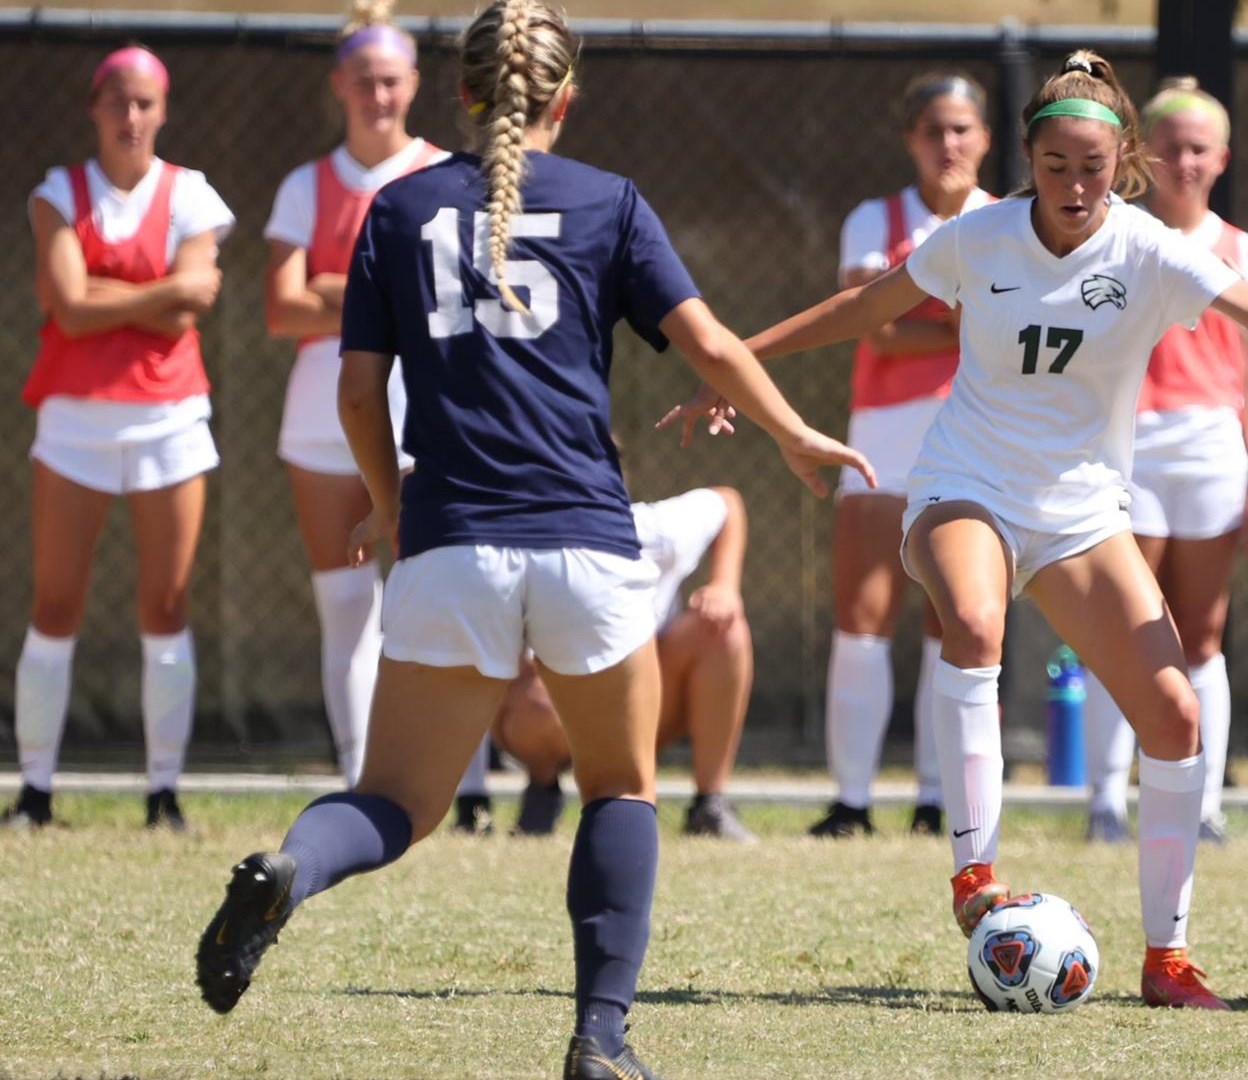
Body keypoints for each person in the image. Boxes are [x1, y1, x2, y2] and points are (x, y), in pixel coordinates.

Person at [192, 5, 870, 1077]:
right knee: (621, 789)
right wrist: (793, 434)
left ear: (461, 94)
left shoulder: (396, 206)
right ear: (566, 98)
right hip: (586, 545)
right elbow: (708, 341)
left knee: (392, 803)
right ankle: (601, 1037)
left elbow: (357, 392)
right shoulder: (611, 201)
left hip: (453, 540)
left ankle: (292, 871)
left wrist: (389, 503)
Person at [706, 50, 1248, 1010]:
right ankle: (974, 874)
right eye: (1056, 165)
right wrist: (732, 361)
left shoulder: (1150, 249)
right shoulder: (978, 236)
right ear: (1027, 161)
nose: (1074, 184)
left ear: (1124, 164)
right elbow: (864, 307)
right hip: (967, 483)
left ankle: (1169, 960)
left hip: (1083, 510)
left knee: (1176, 714)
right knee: (973, 621)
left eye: (1093, 167)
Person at [6, 45, 234, 832]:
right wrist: (162, 289)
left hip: (171, 419)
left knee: (166, 605)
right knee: (55, 602)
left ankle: (163, 793)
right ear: (94, 109)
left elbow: (189, 310)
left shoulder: (192, 194)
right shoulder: (58, 193)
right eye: (117, 102)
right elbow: (67, 308)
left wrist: (111, 292)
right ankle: (35, 793)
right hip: (74, 420)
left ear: (162, 111)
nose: (130, 117)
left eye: (144, 103)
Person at [1080, 77, 1248, 847]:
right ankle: (1105, 800)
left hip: (1211, 455)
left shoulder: (1243, 250)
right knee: (1121, 626)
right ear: (1141, 155)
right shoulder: (1115, 233)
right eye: (1169, 147)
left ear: (1222, 159)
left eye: (1200, 148)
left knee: (1201, 635)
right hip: (1126, 450)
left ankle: (1201, 804)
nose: (1185, 161)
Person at [263, 0, 446, 788]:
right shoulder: (305, 185)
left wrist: (334, 288)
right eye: (365, 81)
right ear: (340, 84)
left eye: (392, 81)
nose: (379, 96)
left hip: (427, 412)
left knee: (439, 595)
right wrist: (386, 292)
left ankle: (462, 781)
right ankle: (359, 782)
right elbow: (282, 308)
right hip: (321, 416)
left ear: (415, 84)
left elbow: (450, 296)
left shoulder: (444, 173)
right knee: (346, 607)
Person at [809, 72, 994, 840]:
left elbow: (999, 329)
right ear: (911, 139)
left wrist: (938, 313)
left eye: (962, 128)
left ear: (986, 137)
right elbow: (877, 329)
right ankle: (851, 801)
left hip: (975, 434)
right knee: (863, 616)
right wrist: (962, 317)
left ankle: (934, 798)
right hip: (883, 434)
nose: (948, 143)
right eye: (933, 130)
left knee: (954, 619)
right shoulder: (873, 219)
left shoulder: (1008, 219)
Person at [492, 486, 759, 843]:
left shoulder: (647, 529)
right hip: (560, 710)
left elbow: (727, 502)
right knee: (531, 693)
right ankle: (543, 786)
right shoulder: (533, 537)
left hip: (645, 701)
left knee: (725, 629)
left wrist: (725, 585)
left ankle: (709, 804)